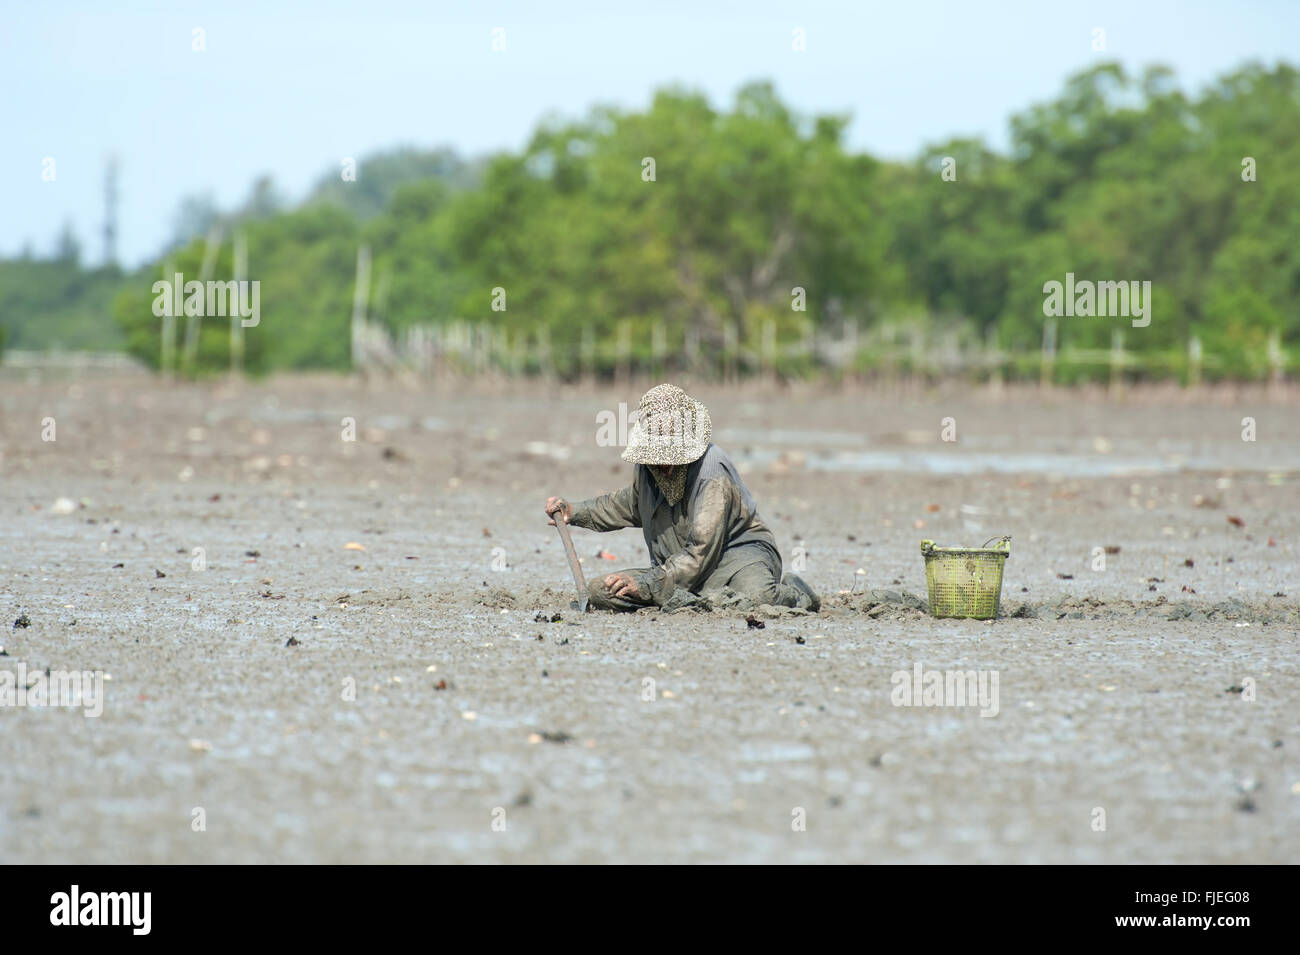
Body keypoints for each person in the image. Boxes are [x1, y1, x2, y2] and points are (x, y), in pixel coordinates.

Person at [545, 383, 820, 612]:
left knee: (757, 599)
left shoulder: (712, 472)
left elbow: (701, 550)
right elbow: (628, 504)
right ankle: (685, 597)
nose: (663, 465)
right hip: (674, 568)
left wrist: (647, 585)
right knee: (601, 591)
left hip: (734, 557)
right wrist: (574, 511)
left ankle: (797, 595)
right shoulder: (647, 466)